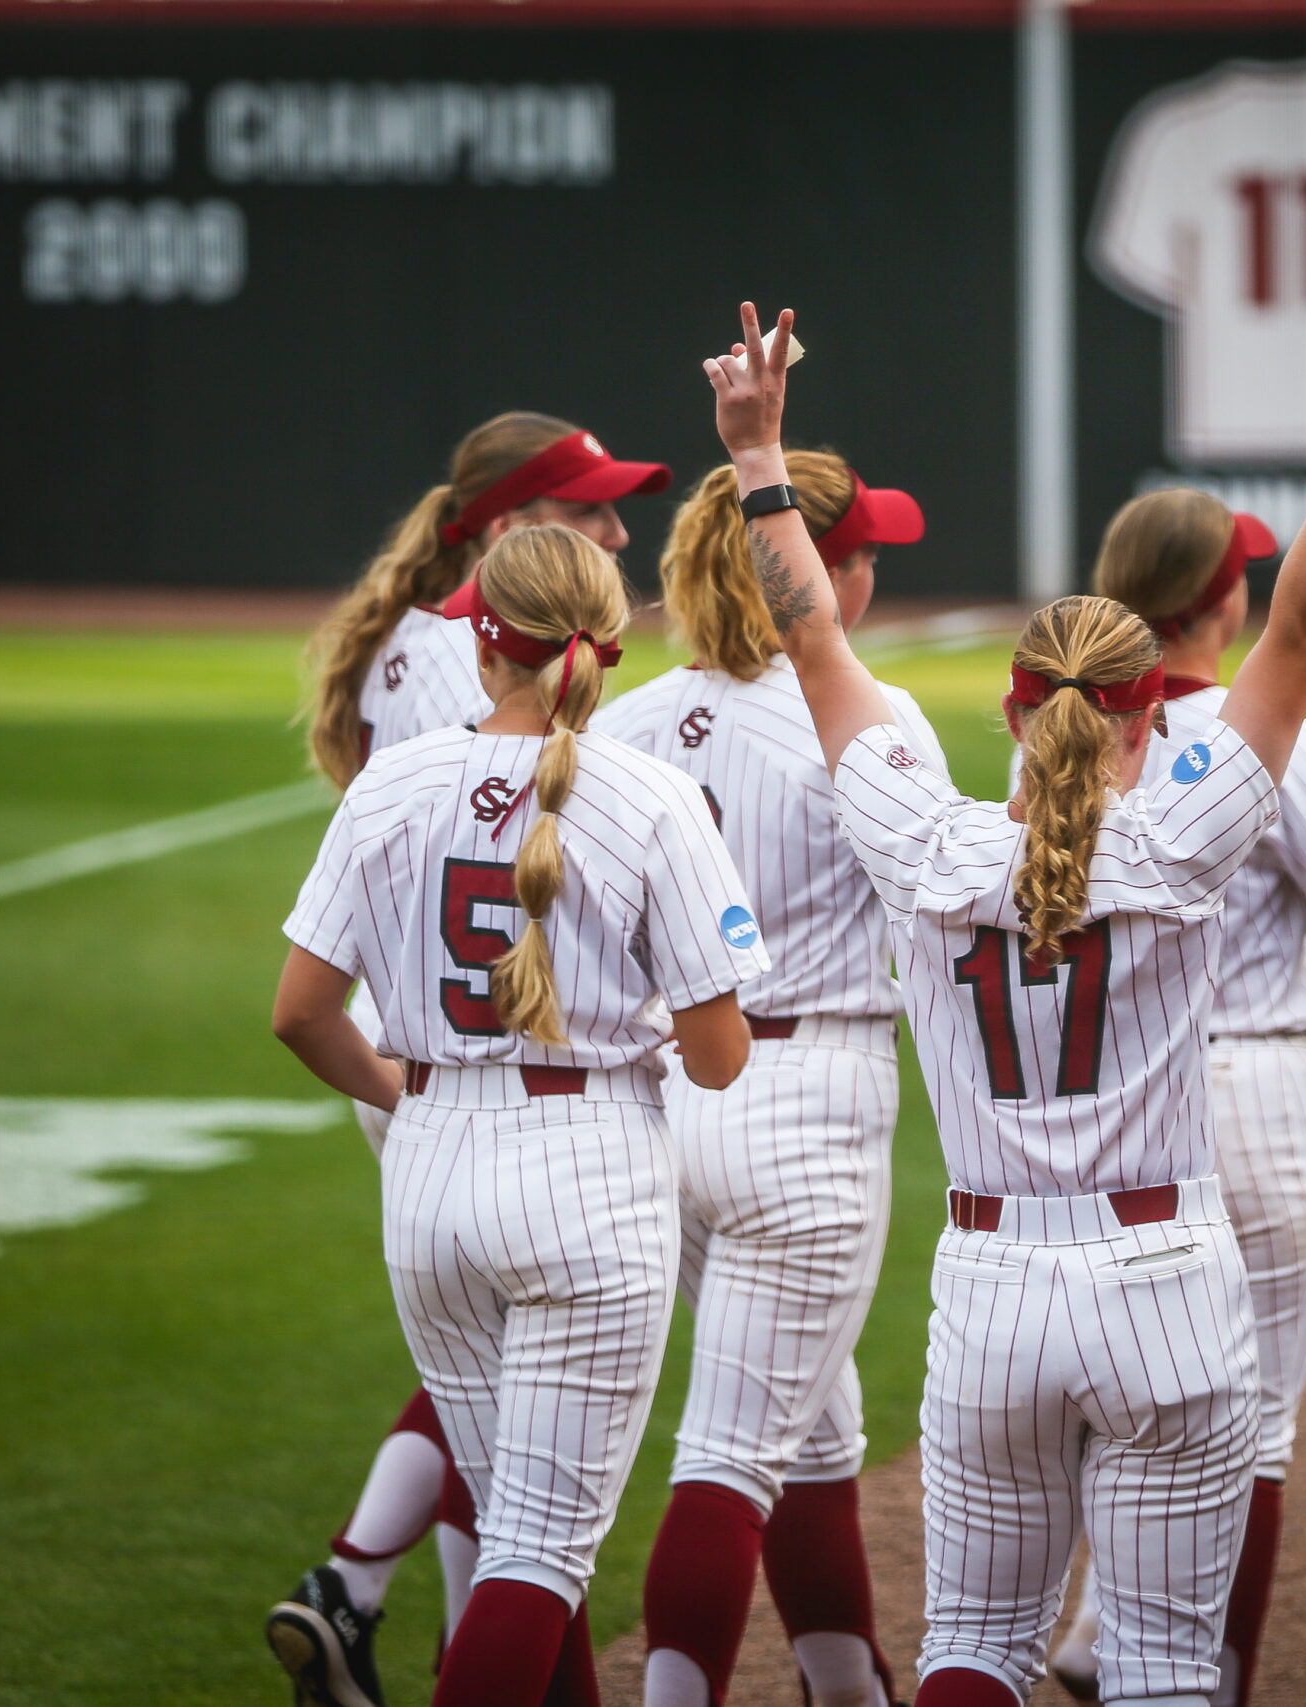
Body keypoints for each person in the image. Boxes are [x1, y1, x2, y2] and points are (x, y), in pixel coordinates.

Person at [701, 280, 1306, 1707]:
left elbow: (811, 641)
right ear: (1155, 710)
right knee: (1162, 1661)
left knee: (974, 1647)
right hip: (1167, 1280)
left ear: (1010, 709)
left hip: (991, 1289)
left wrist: (754, 454)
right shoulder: (1183, 834)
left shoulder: (927, 841)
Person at [272, 522, 766, 1707]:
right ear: (607, 639)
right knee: (539, 1555)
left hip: (431, 1169)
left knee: (514, 1543)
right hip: (587, 1176)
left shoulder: (389, 781)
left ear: (479, 644)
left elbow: (300, 1014)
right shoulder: (650, 796)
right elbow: (717, 1059)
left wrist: (414, 1094)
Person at [1046, 490, 1306, 1705]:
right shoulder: (1258, 728)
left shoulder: (1067, 731)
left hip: (1106, 1101)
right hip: (1248, 1090)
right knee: (1252, 1428)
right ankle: (1205, 1682)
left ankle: (1097, 1627)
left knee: (1120, 1384)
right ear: (1218, 598)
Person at [592, 451, 945, 1707]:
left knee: (813, 1425)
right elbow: (944, 913)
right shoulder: (863, 717)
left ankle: (846, 1687)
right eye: (855, 556)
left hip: (663, 1103)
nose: (869, 575)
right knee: (735, 1451)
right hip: (810, 1106)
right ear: (808, 570)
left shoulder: (622, 719)